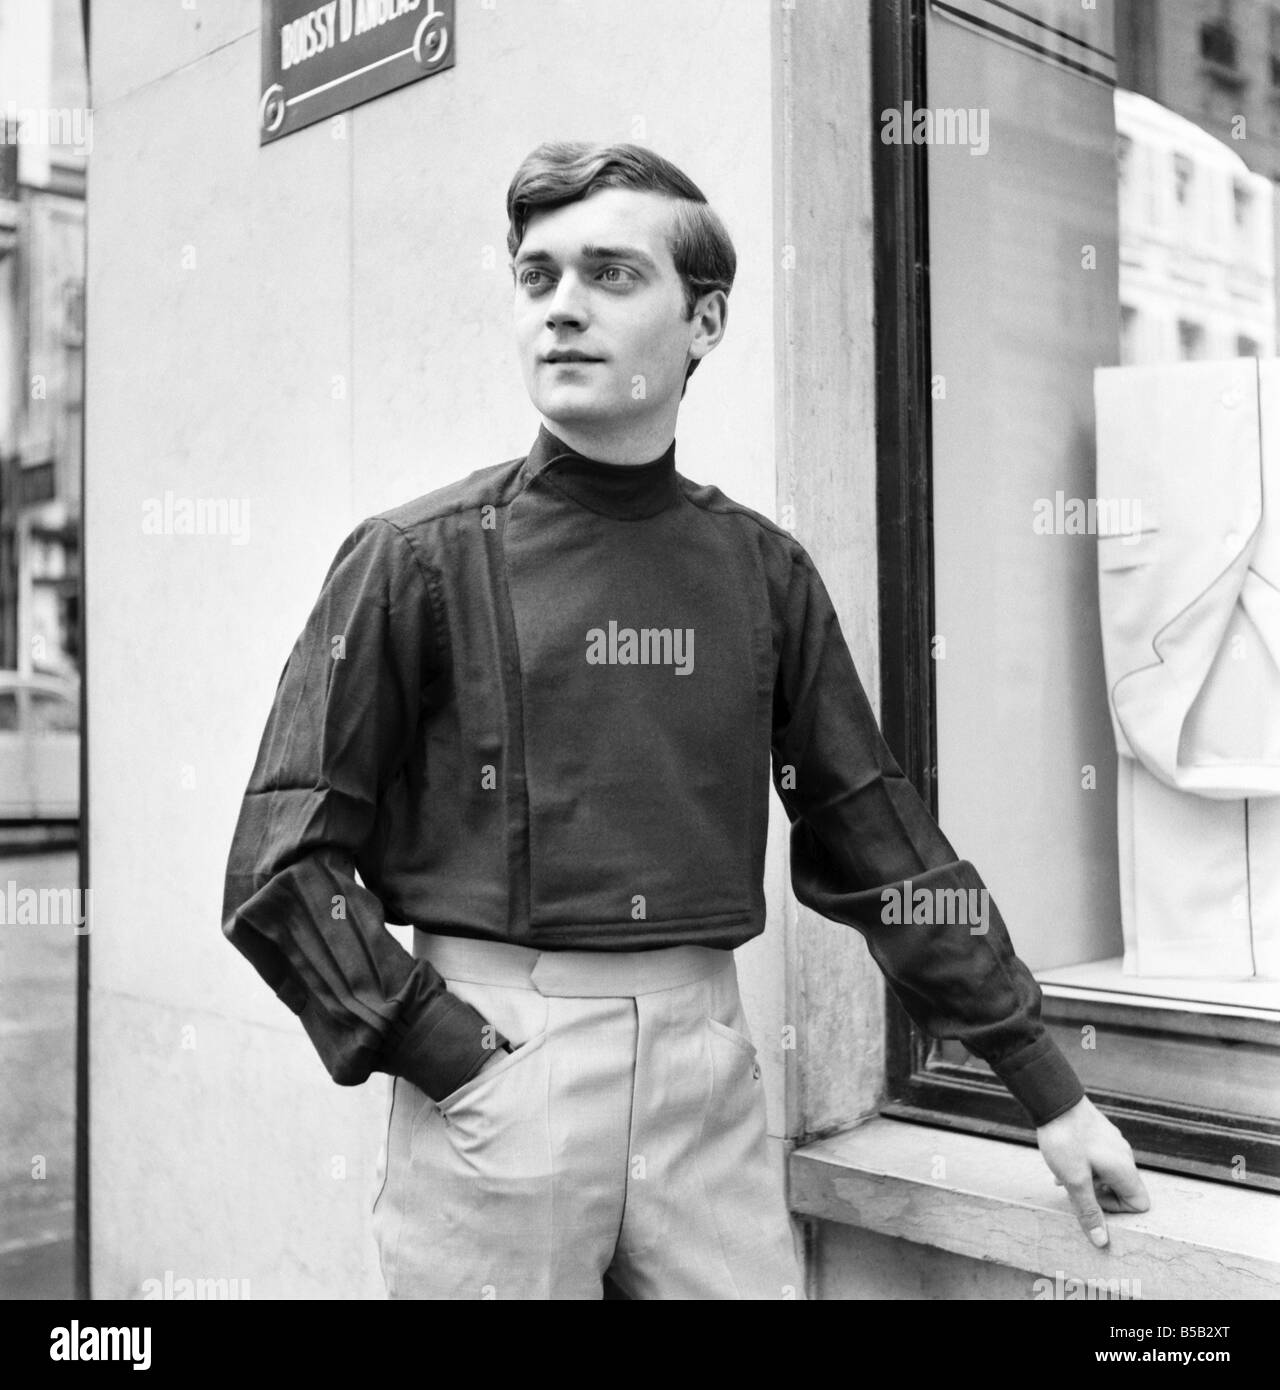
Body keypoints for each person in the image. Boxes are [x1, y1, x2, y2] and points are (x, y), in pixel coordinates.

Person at [221, 140, 1150, 1300]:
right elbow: (280, 859)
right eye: (537, 277)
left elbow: (877, 839)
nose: (562, 308)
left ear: (703, 322)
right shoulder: (413, 560)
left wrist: (1043, 1083)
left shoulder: (761, 572)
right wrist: (439, 1049)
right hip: (494, 1068)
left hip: (704, 1068)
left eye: (611, 276)